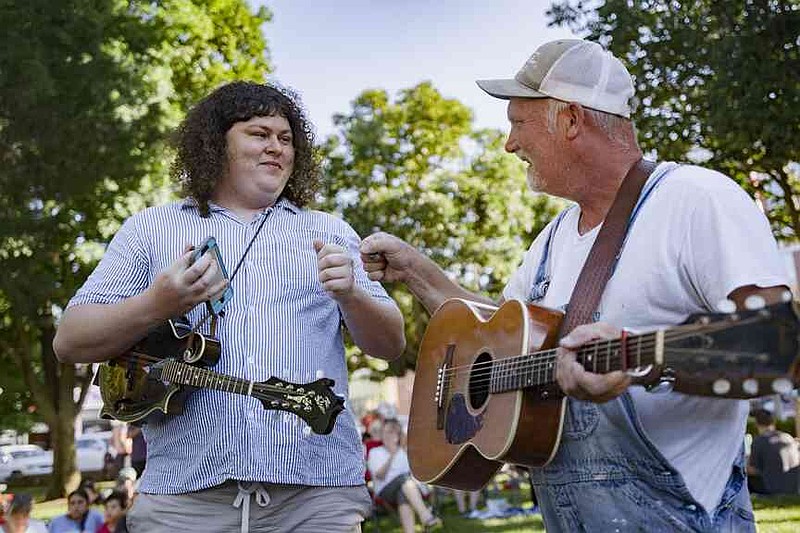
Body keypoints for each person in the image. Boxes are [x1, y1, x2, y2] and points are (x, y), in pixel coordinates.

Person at [360, 38, 791, 532]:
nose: (509, 144)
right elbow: (496, 336)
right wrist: (416, 270)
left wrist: (639, 364)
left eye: (518, 124)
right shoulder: (553, 238)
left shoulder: (696, 199)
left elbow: (776, 345)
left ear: (569, 120)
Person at [52, 81, 406, 533]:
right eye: (259, 134)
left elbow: (391, 344)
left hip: (316, 496)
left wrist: (352, 295)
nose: (276, 147)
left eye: (286, 139)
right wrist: (158, 303)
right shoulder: (152, 228)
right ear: (215, 144)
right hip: (183, 500)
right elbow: (70, 340)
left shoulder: (330, 231)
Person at [366, 419, 441, 533]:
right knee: (404, 479)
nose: (388, 436)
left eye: (392, 432)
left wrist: (399, 450)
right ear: (382, 434)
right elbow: (380, 476)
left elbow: (414, 473)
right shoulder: (375, 452)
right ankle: (425, 515)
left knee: (403, 493)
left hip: (406, 489)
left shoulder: (404, 452)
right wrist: (392, 455)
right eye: (386, 432)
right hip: (384, 491)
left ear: (398, 435)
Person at [747, 409, 800, 495]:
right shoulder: (788, 437)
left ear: (756, 424)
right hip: (794, 488)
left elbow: (754, 469)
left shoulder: (759, 441)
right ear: (773, 422)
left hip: (772, 489)